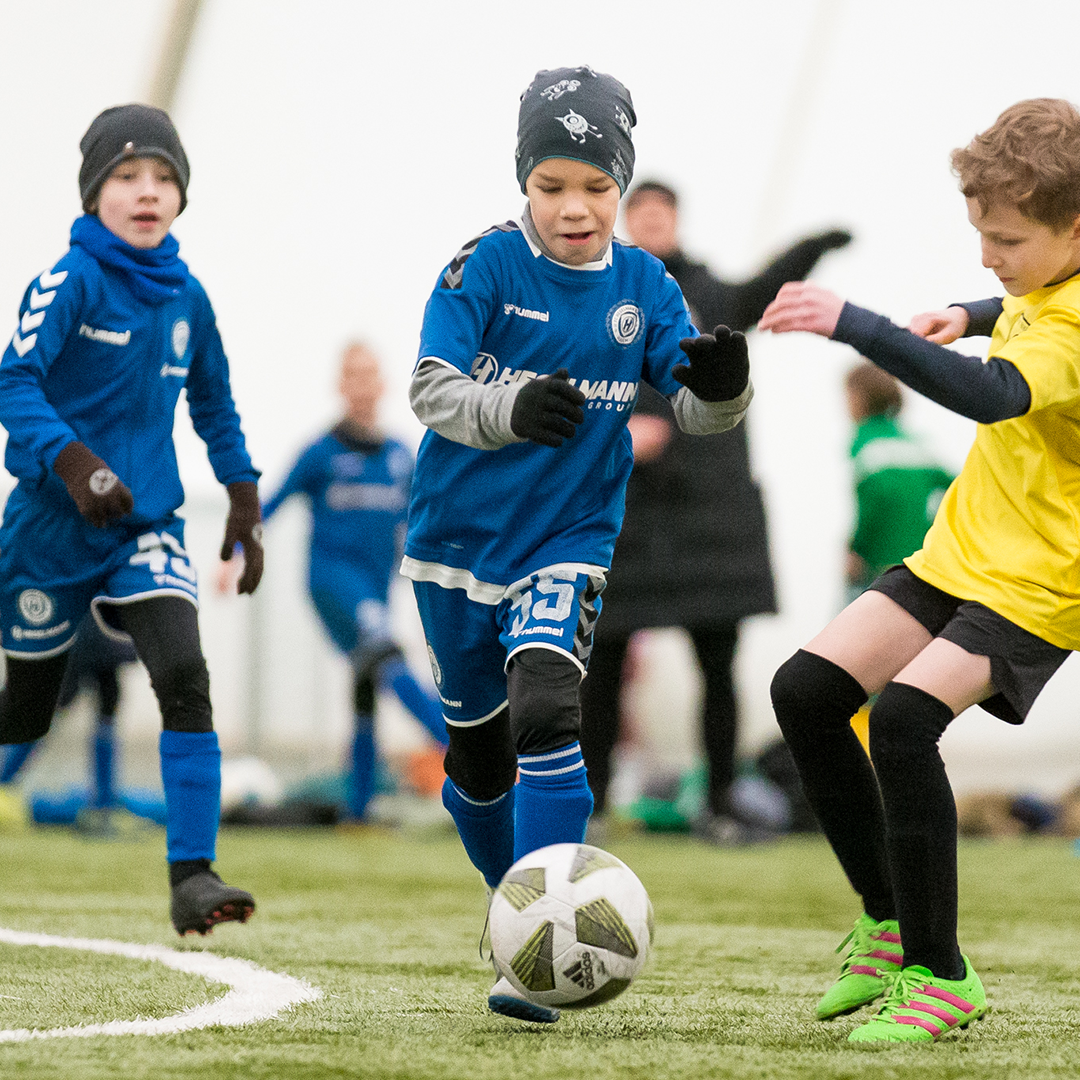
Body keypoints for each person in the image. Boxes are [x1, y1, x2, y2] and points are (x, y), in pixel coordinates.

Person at [401, 65, 753, 1023]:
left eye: (597, 187)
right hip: (454, 549)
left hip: (570, 541)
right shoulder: (481, 267)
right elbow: (429, 389)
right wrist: (509, 406)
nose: (575, 207)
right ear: (524, 181)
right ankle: (512, 902)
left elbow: (697, 406)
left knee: (548, 709)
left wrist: (723, 387)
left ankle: (535, 960)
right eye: (553, 185)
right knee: (476, 764)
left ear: (623, 188)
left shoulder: (645, 283)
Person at [758, 97, 1080, 1044]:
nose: (989, 254)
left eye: (1006, 241)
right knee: (808, 692)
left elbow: (993, 394)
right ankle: (890, 923)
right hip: (966, 549)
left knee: (902, 720)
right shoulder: (1040, 278)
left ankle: (943, 978)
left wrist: (858, 323)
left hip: (1041, 582)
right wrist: (974, 310)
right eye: (980, 233)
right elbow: (1022, 308)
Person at [0, 104, 264, 936]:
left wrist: (245, 504)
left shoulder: (189, 296)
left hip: (144, 527)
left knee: (184, 673)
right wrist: (76, 465)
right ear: (94, 193)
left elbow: (215, 405)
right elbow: (14, 382)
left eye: (163, 177)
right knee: (27, 715)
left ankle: (193, 876)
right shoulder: (68, 280)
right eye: (126, 176)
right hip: (49, 530)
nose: (147, 192)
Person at [579, 181, 852, 843]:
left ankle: (722, 800)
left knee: (718, 664)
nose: (650, 221)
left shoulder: (713, 298)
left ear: (674, 221)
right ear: (625, 222)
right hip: (626, 516)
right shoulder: (595, 297)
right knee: (602, 665)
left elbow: (767, 286)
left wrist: (814, 246)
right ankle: (589, 804)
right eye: (638, 213)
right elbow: (570, 388)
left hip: (711, 514)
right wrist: (620, 435)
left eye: (660, 212)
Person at [237, 342, 447, 820]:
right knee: (387, 657)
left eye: (368, 375)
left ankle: (359, 808)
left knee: (367, 679)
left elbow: (427, 518)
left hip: (376, 587)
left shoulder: (398, 455)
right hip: (331, 581)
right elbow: (269, 503)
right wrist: (233, 551)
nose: (360, 385)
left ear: (382, 384)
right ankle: (465, 753)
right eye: (351, 375)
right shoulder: (320, 452)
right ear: (340, 385)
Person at [843, 361, 955, 600]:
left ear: (859, 398)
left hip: (880, 562)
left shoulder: (864, 443)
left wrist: (855, 550)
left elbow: (871, 505)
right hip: (922, 558)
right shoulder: (916, 443)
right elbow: (957, 485)